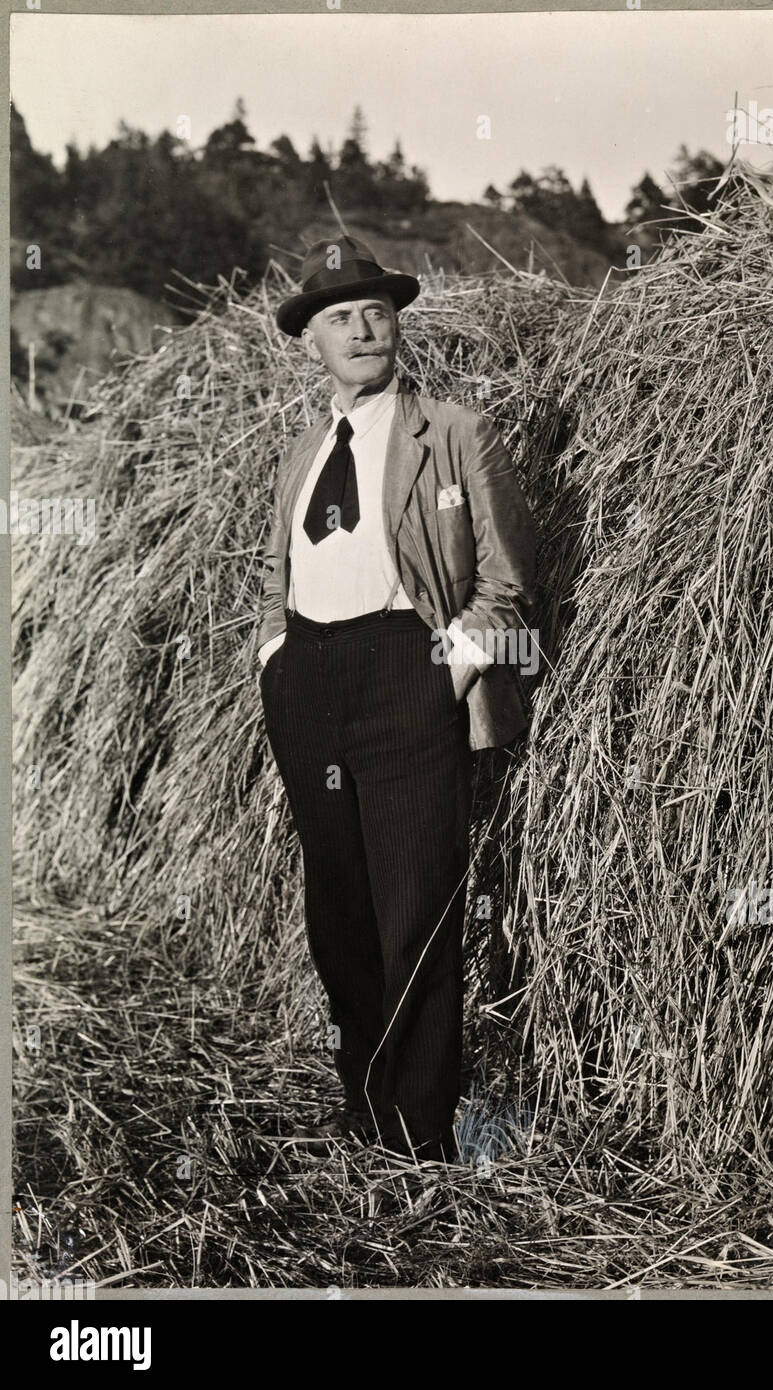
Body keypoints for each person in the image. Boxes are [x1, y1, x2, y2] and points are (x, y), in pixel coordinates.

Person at [257, 234, 536, 1163]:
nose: (363, 329)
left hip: (405, 669)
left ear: (397, 324)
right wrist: (274, 658)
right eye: (340, 317)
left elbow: (506, 582)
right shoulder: (302, 454)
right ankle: (362, 1112)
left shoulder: (454, 432)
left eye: (376, 311)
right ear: (312, 343)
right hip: (309, 682)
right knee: (338, 909)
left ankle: (415, 1136)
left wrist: (445, 672)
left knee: (416, 903)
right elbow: (277, 572)